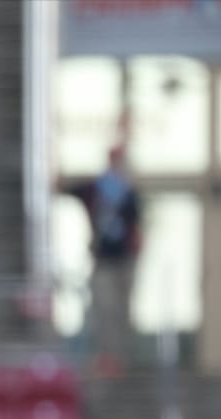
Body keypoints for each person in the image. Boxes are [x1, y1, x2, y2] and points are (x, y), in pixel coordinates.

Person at [64, 144, 141, 377]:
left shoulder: (129, 193)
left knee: (121, 311)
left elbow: (136, 229)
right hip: (103, 261)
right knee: (104, 308)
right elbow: (64, 187)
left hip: (124, 261)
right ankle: (105, 357)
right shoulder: (96, 189)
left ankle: (120, 358)